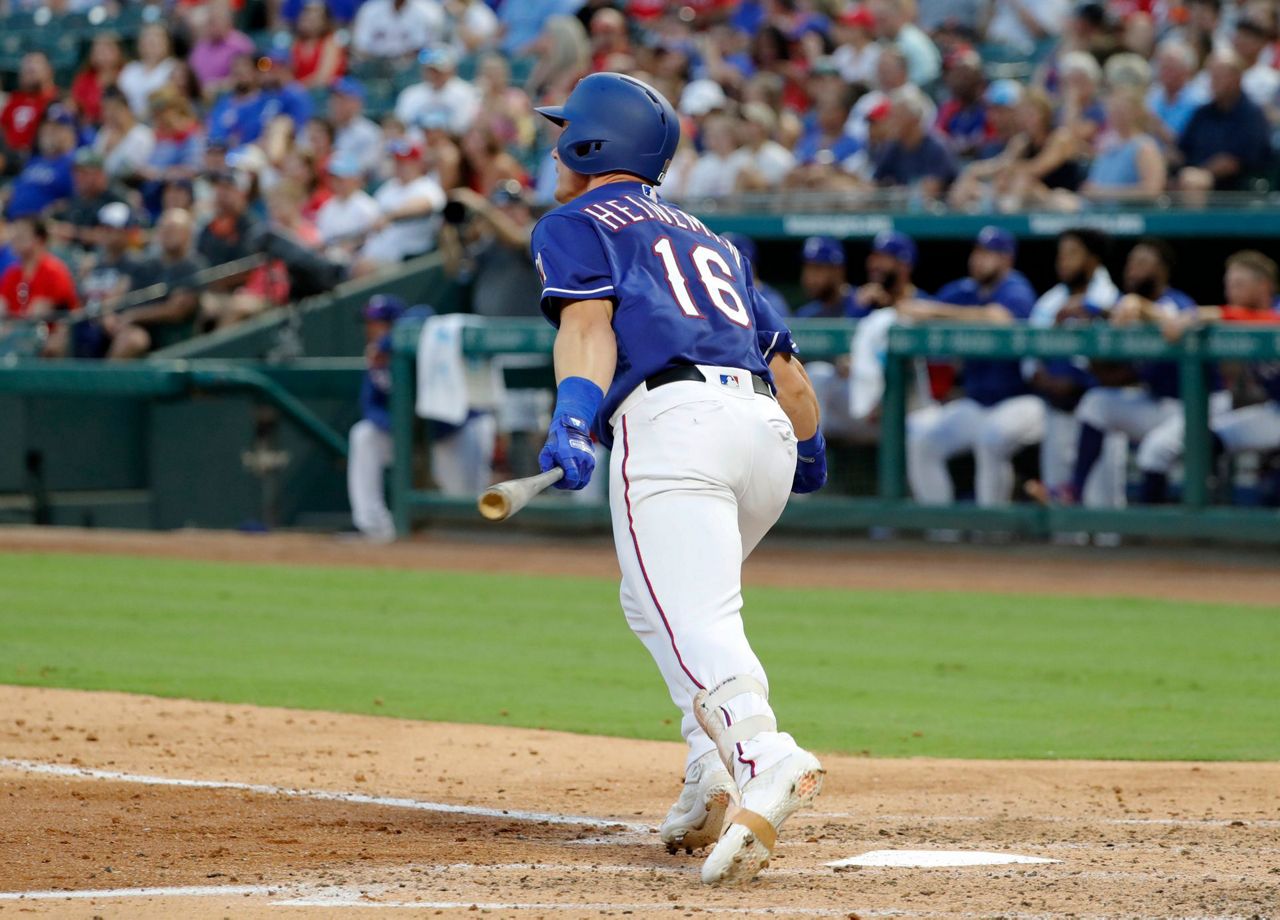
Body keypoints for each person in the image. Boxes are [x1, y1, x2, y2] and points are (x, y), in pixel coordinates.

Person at [531, 72, 826, 887]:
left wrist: (574, 413)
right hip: (764, 428)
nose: (552, 144)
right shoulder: (711, 237)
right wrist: (807, 450)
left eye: (564, 131)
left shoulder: (576, 219)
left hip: (676, 428)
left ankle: (761, 753)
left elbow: (588, 326)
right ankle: (711, 767)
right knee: (653, 597)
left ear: (592, 144)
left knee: (692, 610)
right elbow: (792, 377)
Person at [1102, 250, 1277, 504]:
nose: (1231, 292)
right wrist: (1139, 306)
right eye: (1228, 285)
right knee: (1209, 438)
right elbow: (1175, 322)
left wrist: (1205, 314)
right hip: (1274, 410)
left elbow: (1267, 321)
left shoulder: (1268, 312)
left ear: (1264, 286)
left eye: (1239, 285)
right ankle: (1211, 513)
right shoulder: (1234, 318)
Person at [901, 227, 1039, 507]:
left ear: (1007, 260)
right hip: (977, 404)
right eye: (978, 251)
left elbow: (999, 319)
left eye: (989, 253)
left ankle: (992, 530)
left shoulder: (1016, 288)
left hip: (1023, 401)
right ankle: (943, 530)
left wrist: (939, 313)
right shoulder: (964, 291)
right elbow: (917, 309)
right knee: (923, 439)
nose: (979, 259)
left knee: (993, 437)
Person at [1023, 228, 1125, 510]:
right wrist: (1046, 381)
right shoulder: (1048, 302)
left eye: (1072, 254)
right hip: (1058, 410)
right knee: (1059, 504)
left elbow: (1121, 365)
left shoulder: (1112, 301)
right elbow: (1029, 361)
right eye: (1061, 255)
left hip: (1099, 413)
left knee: (1104, 507)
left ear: (1093, 260)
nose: (1063, 261)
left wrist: (1079, 382)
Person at [348, 294, 406, 542]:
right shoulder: (373, 357)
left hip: (446, 432)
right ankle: (374, 528)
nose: (371, 329)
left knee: (461, 493)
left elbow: (421, 313)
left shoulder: (419, 337)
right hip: (401, 433)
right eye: (369, 324)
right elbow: (369, 405)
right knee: (364, 435)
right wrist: (397, 428)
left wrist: (388, 343)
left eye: (379, 323)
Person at [439, 180, 541, 317]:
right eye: (500, 209)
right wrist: (448, 229)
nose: (505, 214)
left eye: (511, 207)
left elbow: (518, 241)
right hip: (489, 330)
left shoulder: (536, 231)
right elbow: (458, 269)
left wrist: (482, 207)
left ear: (525, 209)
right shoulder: (489, 241)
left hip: (526, 330)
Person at [1175, 50, 1272, 193]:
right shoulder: (1202, 113)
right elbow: (1183, 149)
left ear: (1237, 78)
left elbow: (1233, 162)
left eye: (1220, 77)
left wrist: (1201, 173)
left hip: (1234, 190)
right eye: (1212, 77)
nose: (1214, 82)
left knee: (1193, 183)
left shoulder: (1251, 115)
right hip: (1191, 176)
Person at [0, 217, 80, 357]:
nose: (15, 238)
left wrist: (9, 327)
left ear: (39, 239)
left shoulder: (53, 271)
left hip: (46, 338)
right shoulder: (12, 273)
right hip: (14, 334)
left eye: (22, 234)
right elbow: (2, 308)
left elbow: (36, 315)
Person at [4, 106, 78, 220]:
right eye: (46, 128)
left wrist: (54, 211)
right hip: (12, 225)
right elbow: (13, 190)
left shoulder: (73, 163)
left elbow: (78, 200)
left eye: (55, 129)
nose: (48, 133)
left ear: (69, 133)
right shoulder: (33, 161)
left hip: (42, 228)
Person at [394, 46, 480, 137]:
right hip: (416, 145)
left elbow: (462, 127)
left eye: (438, 71)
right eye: (430, 70)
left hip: (452, 142)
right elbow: (401, 125)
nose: (434, 75)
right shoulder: (410, 94)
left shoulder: (466, 92)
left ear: (452, 70)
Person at [1, 53, 58, 170]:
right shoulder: (15, 99)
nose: (29, 68)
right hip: (8, 158)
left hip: (37, 160)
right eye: (26, 69)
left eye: (35, 67)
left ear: (49, 71)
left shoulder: (57, 101)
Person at [351, 0, 447, 60]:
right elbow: (360, 46)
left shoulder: (427, 10)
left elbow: (430, 49)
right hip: (375, 62)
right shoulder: (370, 9)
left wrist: (407, 59)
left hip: (410, 65)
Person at [118, 23, 178, 118]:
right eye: (147, 39)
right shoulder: (130, 69)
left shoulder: (174, 67)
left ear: (167, 43)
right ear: (139, 44)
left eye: (157, 38)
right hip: (129, 124)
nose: (152, 42)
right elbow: (119, 100)